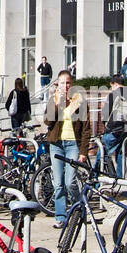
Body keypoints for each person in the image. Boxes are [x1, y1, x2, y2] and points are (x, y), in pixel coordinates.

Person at [43, 70, 91, 228]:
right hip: (56, 145)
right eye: (62, 83)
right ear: (58, 84)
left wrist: (84, 151)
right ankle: (61, 217)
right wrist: (58, 105)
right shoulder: (54, 100)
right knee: (58, 183)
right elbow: (47, 121)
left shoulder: (80, 101)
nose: (65, 86)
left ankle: (80, 209)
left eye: (68, 82)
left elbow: (86, 128)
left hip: (72, 145)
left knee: (70, 182)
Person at [99, 74, 127, 177]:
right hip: (126, 129)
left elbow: (105, 115)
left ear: (114, 84)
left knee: (101, 154)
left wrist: (106, 125)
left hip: (113, 130)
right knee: (121, 155)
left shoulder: (113, 94)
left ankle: (94, 181)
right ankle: (121, 180)